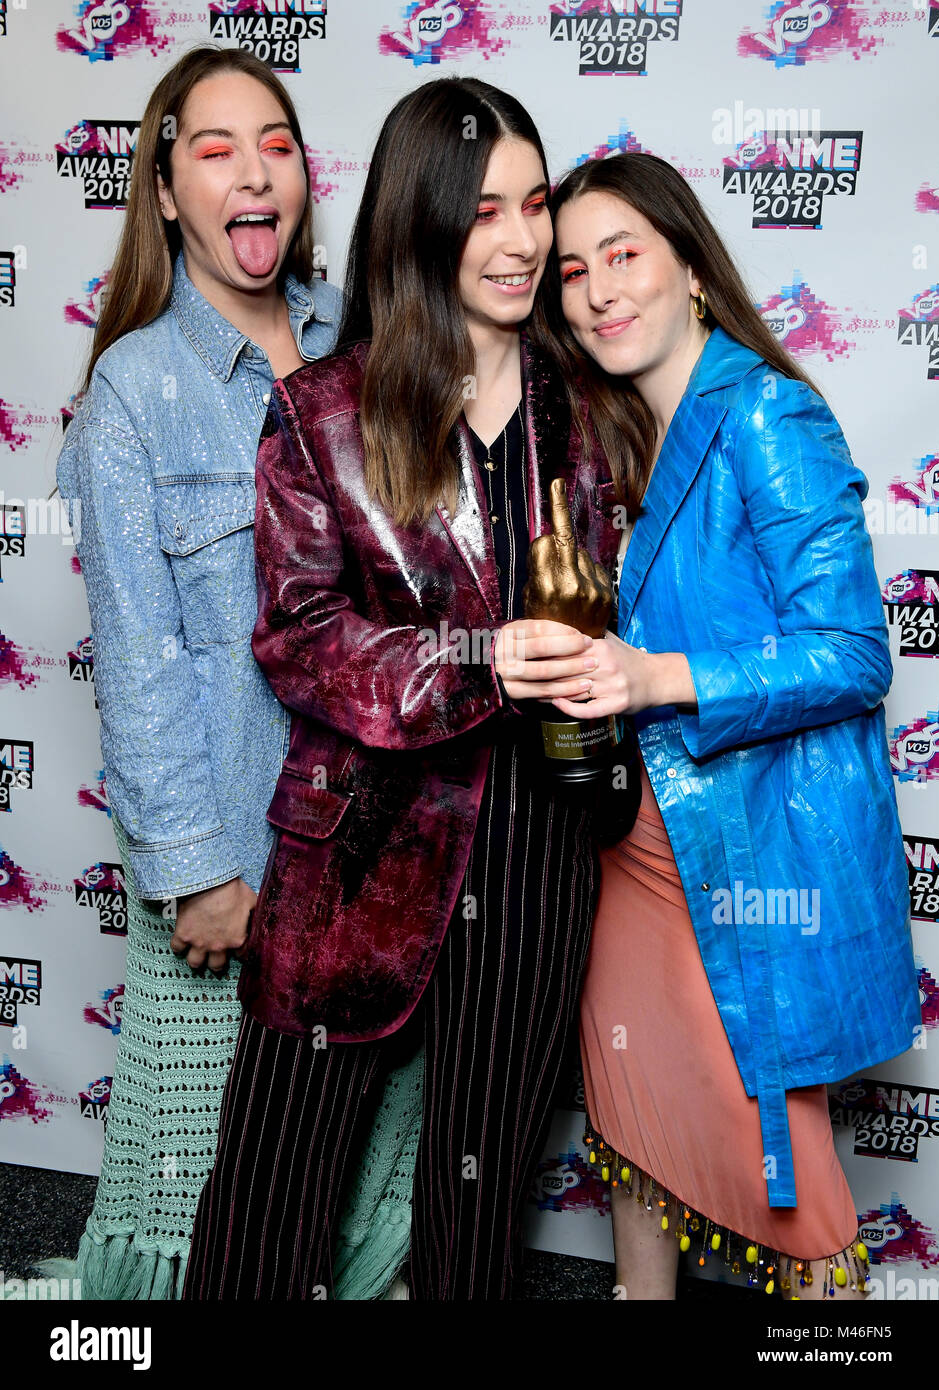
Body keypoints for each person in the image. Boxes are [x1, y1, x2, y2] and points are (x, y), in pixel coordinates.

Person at [182, 75, 636, 1302]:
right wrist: (475, 658)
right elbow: (297, 638)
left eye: (534, 204)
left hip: (538, 842)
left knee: (475, 1213)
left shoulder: (585, 409)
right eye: (484, 210)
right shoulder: (321, 415)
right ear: (421, 220)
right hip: (361, 851)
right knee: (267, 1203)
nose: (524, 239)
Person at [55, 45, 416, 1301]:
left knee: (359, 1174)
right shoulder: (135, 394)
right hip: (239, 867)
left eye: (274, 143)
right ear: (165, 191)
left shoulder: (365, 347)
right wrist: (195, 870)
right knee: (203, 1190)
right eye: (214, 149)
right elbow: (140, 657)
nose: (251, 171)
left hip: (382, 856)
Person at [530, 151, 921, 1301]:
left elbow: (850, 653)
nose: (598, 289)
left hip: (744, 859)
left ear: (691, 267)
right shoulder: (612, 441)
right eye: (572, 271)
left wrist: (656, 677)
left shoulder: (767, 413)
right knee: (637, 1115)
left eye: (624, 254)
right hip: (632, 851)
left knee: (785, 1172)